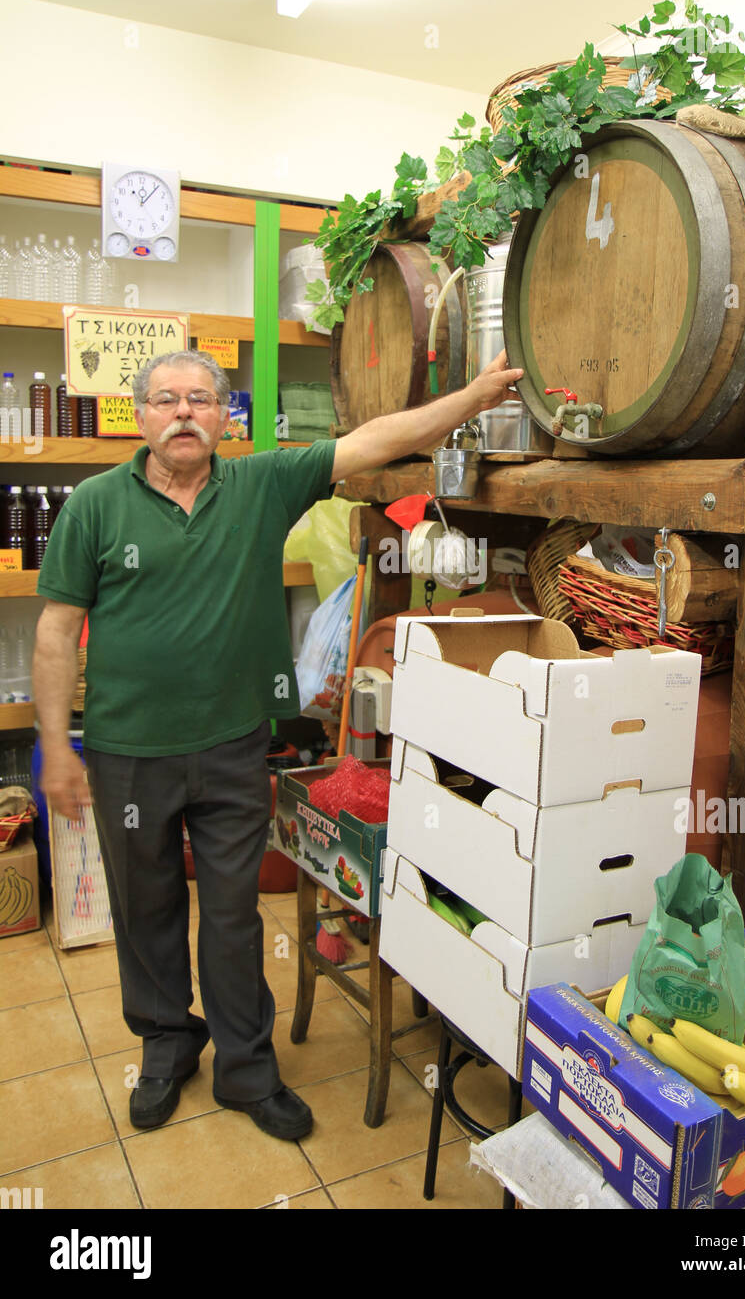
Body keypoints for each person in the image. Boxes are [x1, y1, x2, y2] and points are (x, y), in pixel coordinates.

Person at [32, 345, 522, 1143]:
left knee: (232, 917)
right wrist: (58, 747)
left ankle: (246, 1068)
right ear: (139, 416)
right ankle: (165, 1046)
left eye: (199, 398)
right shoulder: (93, 505)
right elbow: (55, 632)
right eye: (165, 400)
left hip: (231, 748)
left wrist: (470, 396)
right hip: (126, 752)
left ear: (224, 414)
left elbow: (378, 440)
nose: (183, 412)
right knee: (145, 910)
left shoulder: (262, 483)